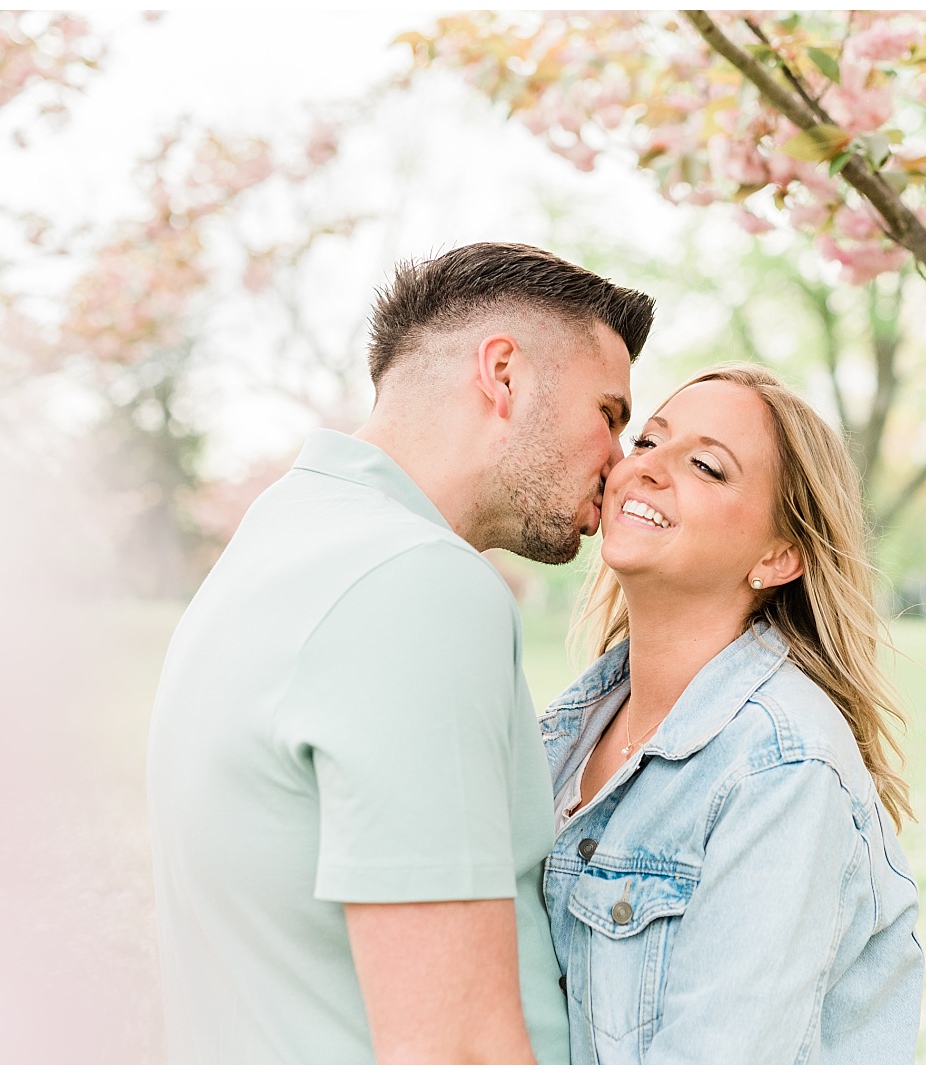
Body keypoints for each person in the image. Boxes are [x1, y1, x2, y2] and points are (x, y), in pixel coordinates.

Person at [146, 242, 655, 1063]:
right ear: (504, 374)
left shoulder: (282, 539)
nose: (621, 465)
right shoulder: (416, 582)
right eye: (609, 414)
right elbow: (455, 1050)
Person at [540, 364, 925, 1063]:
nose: (648, 468)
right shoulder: (566, 732)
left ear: (779, 556)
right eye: (650, 439)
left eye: (708, 467)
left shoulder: (781, 766)